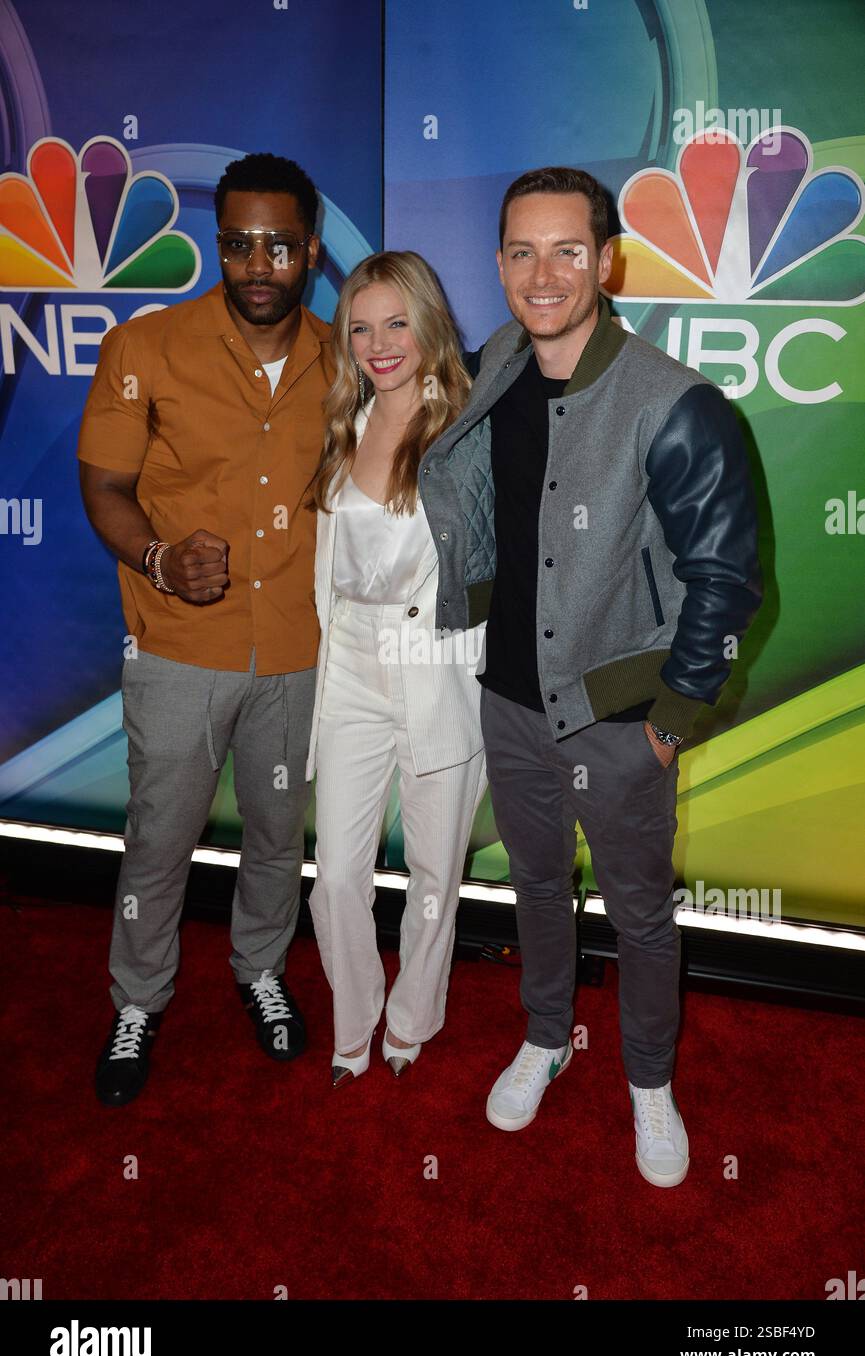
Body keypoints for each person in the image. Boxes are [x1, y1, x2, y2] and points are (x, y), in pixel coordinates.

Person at [417, 167, 762, 1186]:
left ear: (607, 259)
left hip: (617, 721)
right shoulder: (487, 367)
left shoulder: (677, 403)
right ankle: (543, 1034)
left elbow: (727, 580)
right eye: (522, 251)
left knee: (640, 911)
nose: (544, 272)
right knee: (532, 886)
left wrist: (668, 723)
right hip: (507, 698)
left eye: (568, 249)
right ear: (498, 264)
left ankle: (648, 1082)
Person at [78, 153, 334, 1105]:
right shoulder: (145, 349)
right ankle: (138, 998)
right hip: (181, 649)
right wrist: (155, 560)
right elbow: (104, 487)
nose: (257, 265)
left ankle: (259, 969)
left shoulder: (345, 355)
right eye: (237, 245)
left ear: (309, 248)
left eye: (277, 245)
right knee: (159, 839)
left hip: (301, 651)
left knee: (276, 834)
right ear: (216, 247)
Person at [305, 251, 487, 1087]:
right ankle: (353, 1022)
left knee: (432, 875)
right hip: (347, 666)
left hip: (438, 669)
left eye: (396, 322)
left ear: (428, 322)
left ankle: (411, 1021)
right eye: (361, 327)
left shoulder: (470, 424)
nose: (379, 344)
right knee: (337, 876)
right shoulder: (339, 420)